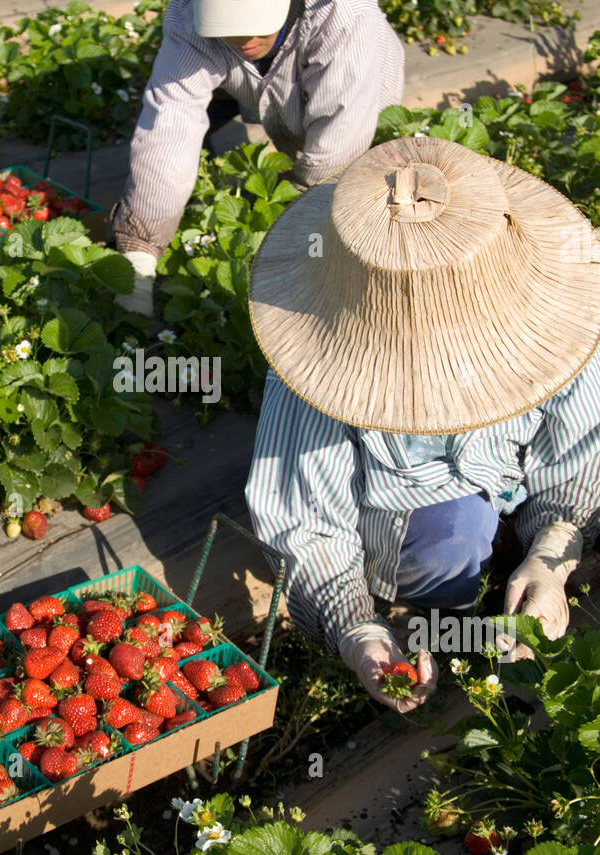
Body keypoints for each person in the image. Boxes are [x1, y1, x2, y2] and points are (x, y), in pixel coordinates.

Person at [244, 136, 600, 712]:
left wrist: (556, 546)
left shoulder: (566, 319)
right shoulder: (316, 366)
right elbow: (304, 518)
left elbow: (580, 448)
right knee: (455, 540)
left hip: (522, 481)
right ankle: (444, 607)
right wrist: (356, 630)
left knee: (558, 530)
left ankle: (525, 565)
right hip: (420, 522)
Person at [111, 0, 404, 314]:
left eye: (256, 23)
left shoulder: (343, 9)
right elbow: (168, 122)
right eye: (230, 24)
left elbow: (338, 143)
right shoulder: (189, 14)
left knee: (348, 187)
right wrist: (139, 250)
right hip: (249, 85)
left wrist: (297, 232)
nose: (245, 40)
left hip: (356, 91)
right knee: (181, 131)